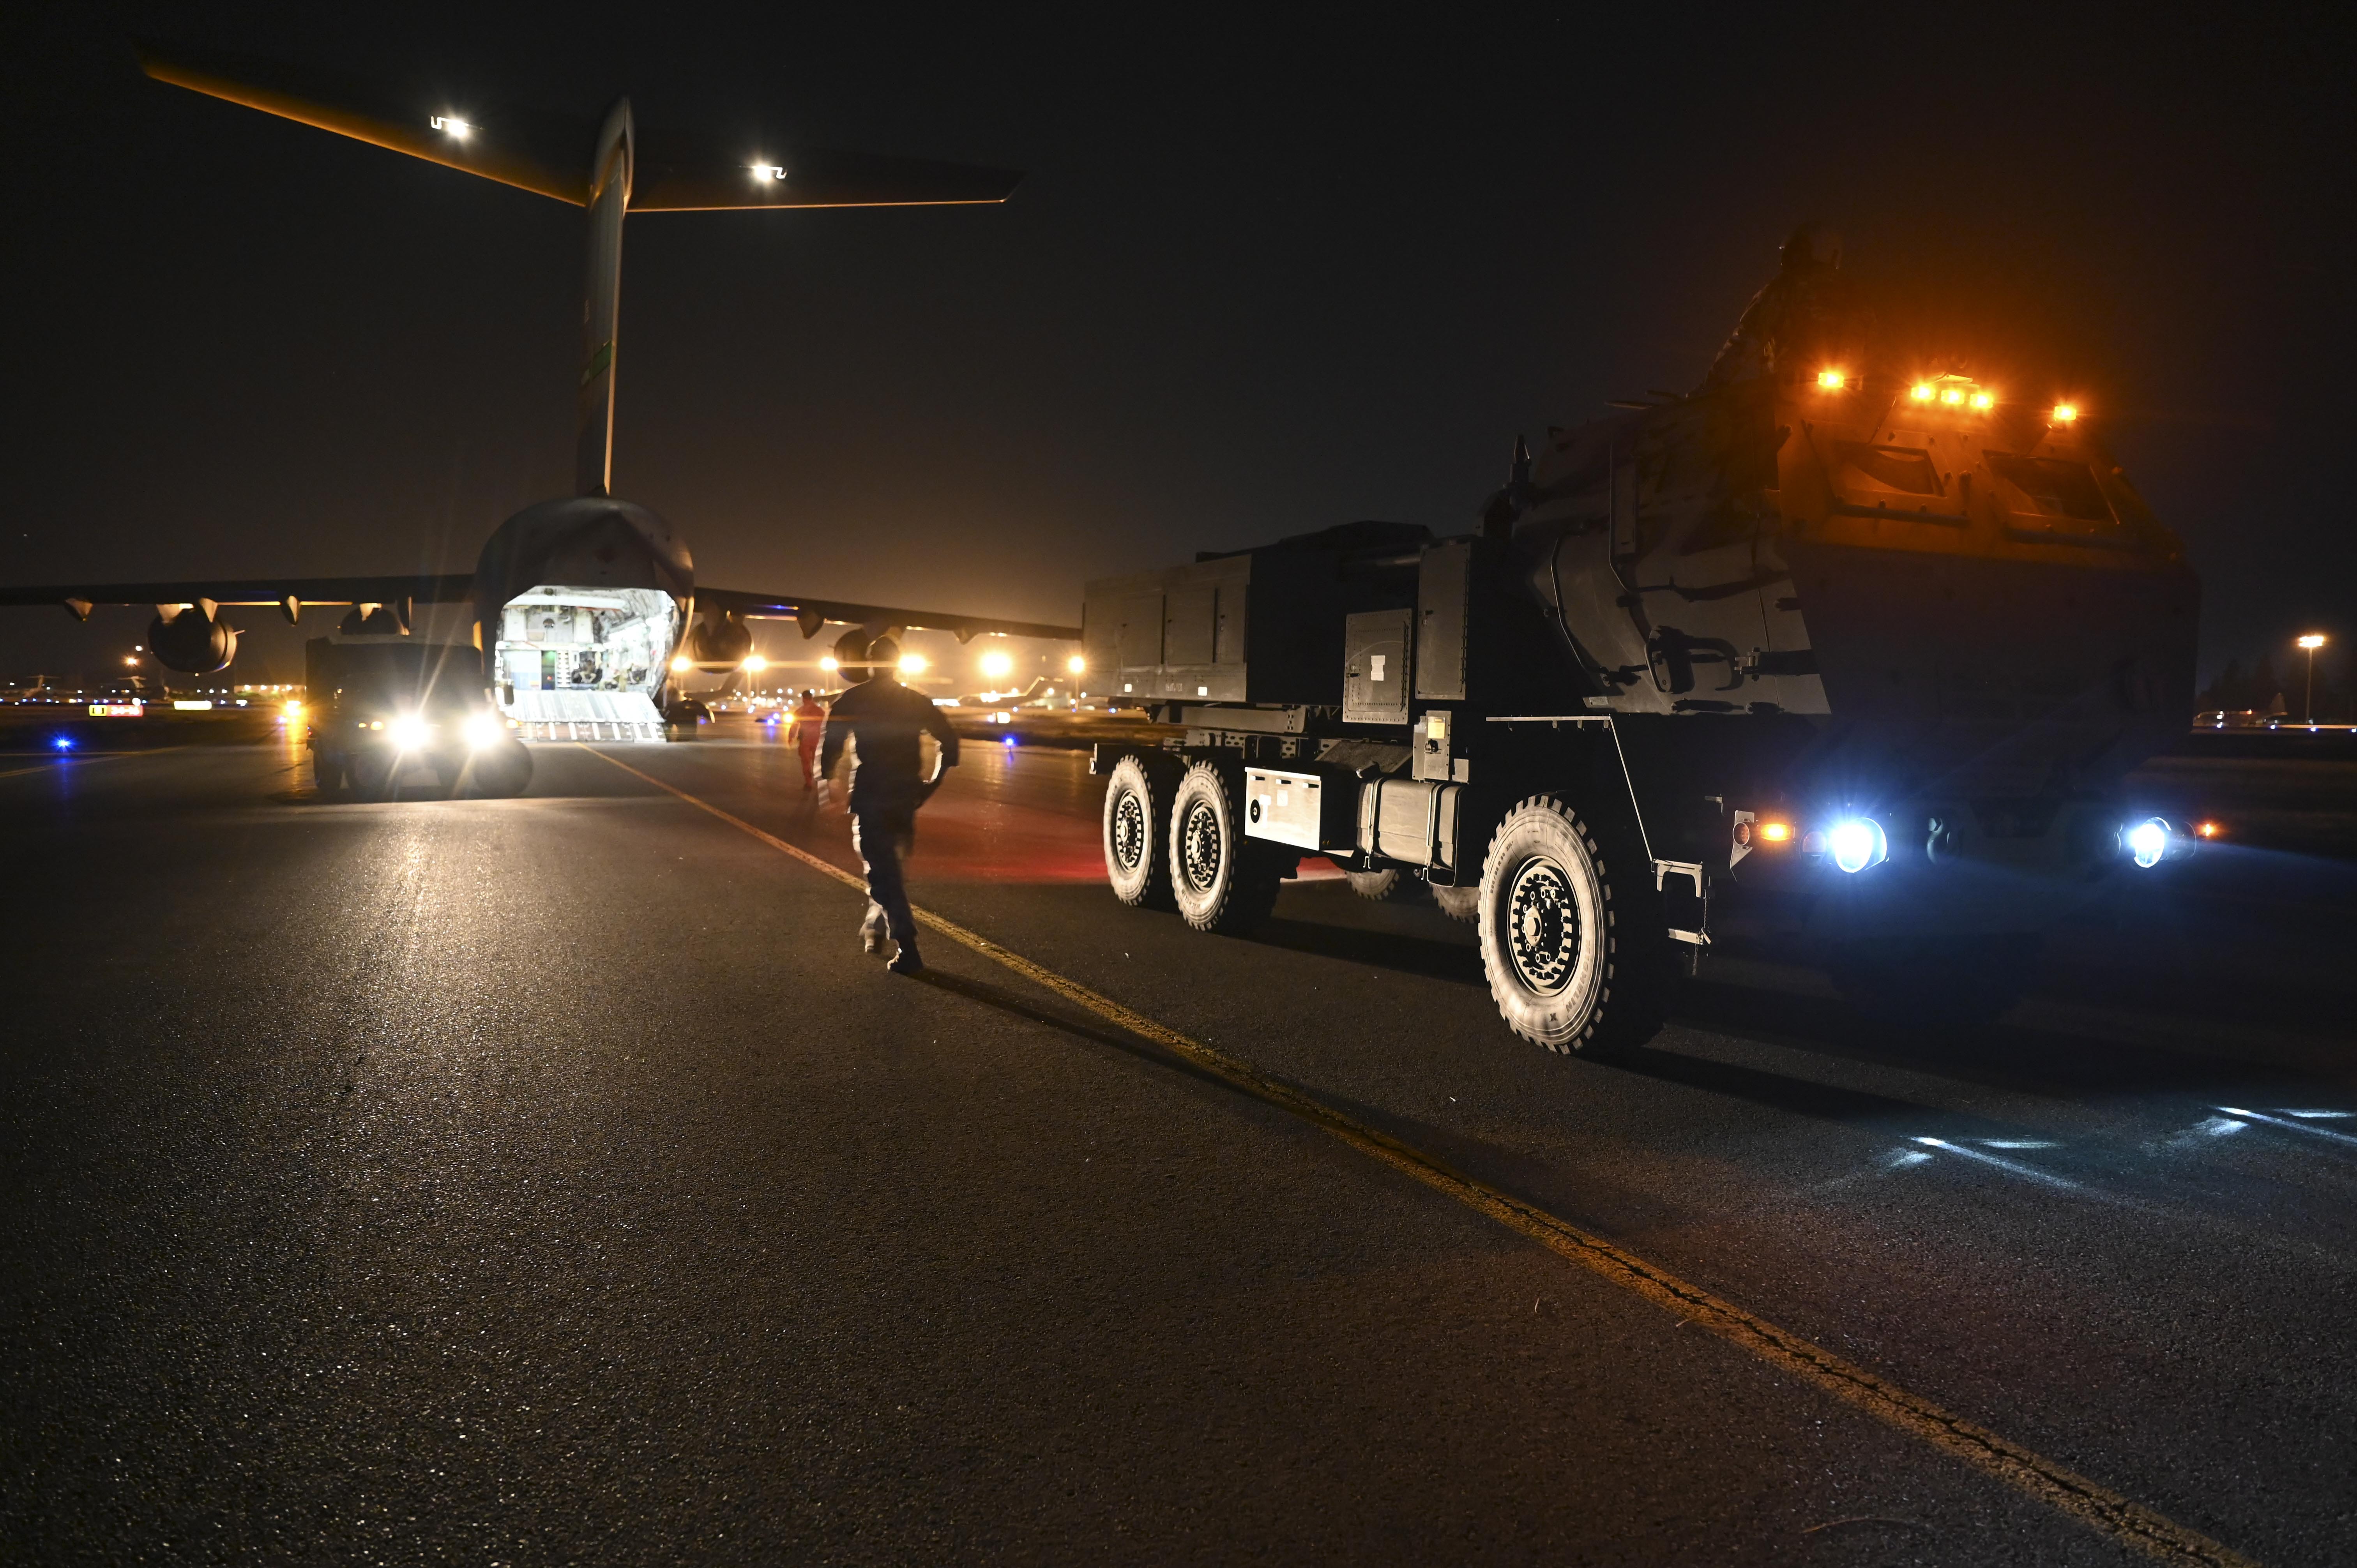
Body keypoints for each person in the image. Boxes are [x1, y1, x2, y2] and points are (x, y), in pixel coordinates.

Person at [816, 638, 958, 974]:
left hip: (872, 793)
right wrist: (930, 787)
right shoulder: (916, 701)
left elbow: (831, 746)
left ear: (869, 663)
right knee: (889, 868)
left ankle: (907, 947)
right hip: (906, 795)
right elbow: (949, 743)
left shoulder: (853, 699)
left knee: (882, 870)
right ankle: (874, 926)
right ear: (898, 664)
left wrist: (829, 783)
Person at [786, 687, 827, 791]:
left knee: (806, 762)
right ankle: (820, 781)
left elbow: (795, 726)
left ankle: (809, 782)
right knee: (817, 761)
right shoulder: (820, 711)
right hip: (818, 739)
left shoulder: (800, 711)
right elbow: (826, 725)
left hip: (805, 740)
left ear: (803, 699)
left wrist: (791, 737)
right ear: (812, 698)